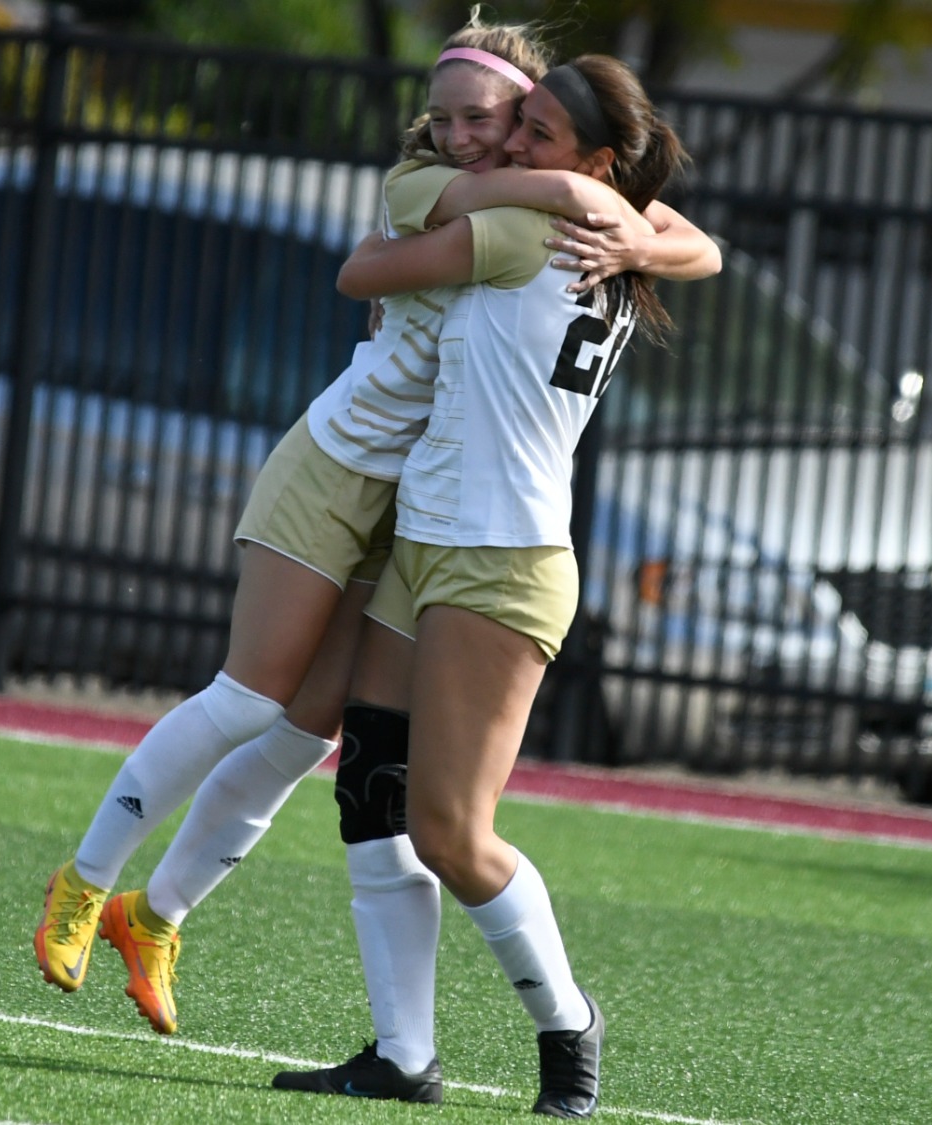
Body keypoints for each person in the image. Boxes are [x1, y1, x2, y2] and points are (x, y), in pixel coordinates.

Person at [34, 18, 721, 1039]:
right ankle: (83, 883)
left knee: (313, 729)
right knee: (248, 697)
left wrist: (629, 228)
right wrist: (577, 195)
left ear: (542, 120)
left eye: (496, 121)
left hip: (416, 506)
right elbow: (363, 269)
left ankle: (158, 916)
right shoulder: (441, 188)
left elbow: (700, 246)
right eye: (444, 117)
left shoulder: (564, 219)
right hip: (337, 469)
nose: (462, 136)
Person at [271, 55, 693, 1118]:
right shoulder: (600, 221)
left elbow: (365, 271)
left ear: (595, 165)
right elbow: (686, 237)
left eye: (536, 135)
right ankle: (401, 1055)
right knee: (369, 783)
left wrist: (573, 205)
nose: (508, 145)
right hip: (428, 539)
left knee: (452, 831)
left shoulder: (532, 232)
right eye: (519, 125)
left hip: (501, 560)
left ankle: (568, 1028)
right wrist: (639, 228)